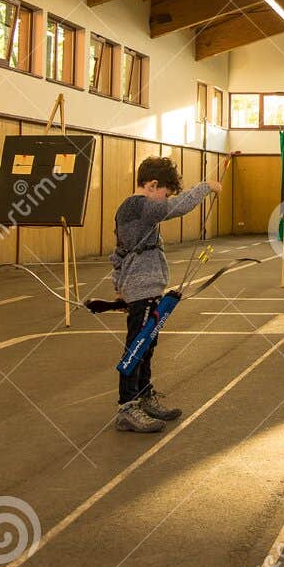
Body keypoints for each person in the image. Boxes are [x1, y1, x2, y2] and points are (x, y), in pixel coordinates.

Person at [110, 156, 219, 434]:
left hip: (145, 288)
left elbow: (119, 252)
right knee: (137, 346)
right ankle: (127, 407)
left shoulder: (137, 209)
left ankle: (144, 396)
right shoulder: (137, 205)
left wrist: (119, 287)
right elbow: (175, 208)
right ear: (152, 185)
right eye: (165, 193)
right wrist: (205, 187)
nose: (165, 199)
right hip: (141, 288)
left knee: (146, 344)